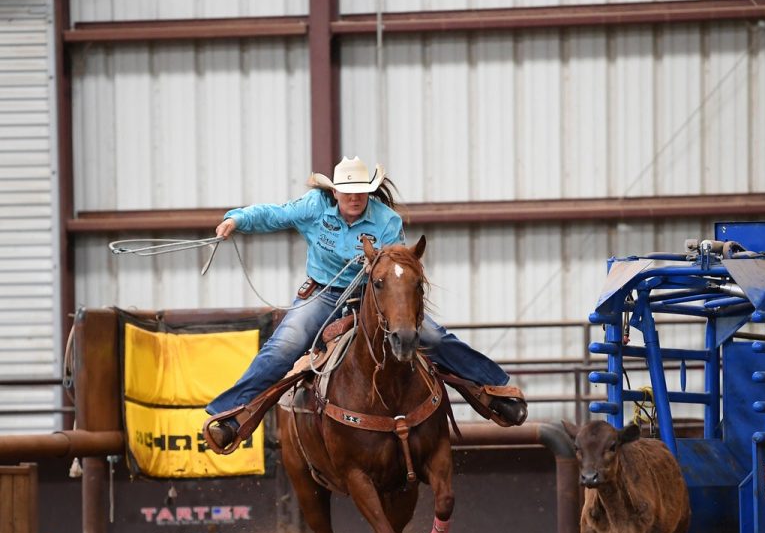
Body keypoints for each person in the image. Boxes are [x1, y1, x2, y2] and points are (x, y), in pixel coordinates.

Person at [206, 156, 526, 449]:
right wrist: (237, 220)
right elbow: (273, 215)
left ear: (369, 191)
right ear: (335, 192)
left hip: (372, 296)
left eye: (362, 192)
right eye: (348, 192)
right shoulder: (314, 206)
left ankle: (494, 391)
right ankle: (231, 417)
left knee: (432, 337)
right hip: (322, 293)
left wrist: (377, 265)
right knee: (283, 347)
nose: (355, 198)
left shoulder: (386, 221)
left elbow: (395, 266)